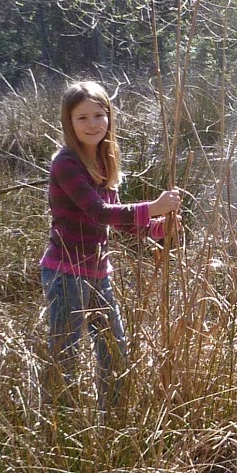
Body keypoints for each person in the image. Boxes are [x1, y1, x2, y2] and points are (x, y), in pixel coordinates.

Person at [42, 79, 180, 400]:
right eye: (82, 118)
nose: (92, 124)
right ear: (69, 122)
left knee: (115, 353)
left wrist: (159, 228)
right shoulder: (66, 163)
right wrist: (153, 207)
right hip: (65, 275)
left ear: (109, 117)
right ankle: (55, 418)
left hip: (98, 275)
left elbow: (119, 220)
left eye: (99, 115)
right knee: (64, 358)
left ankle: (113, 417)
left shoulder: (105, 160)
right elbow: (99, 212)